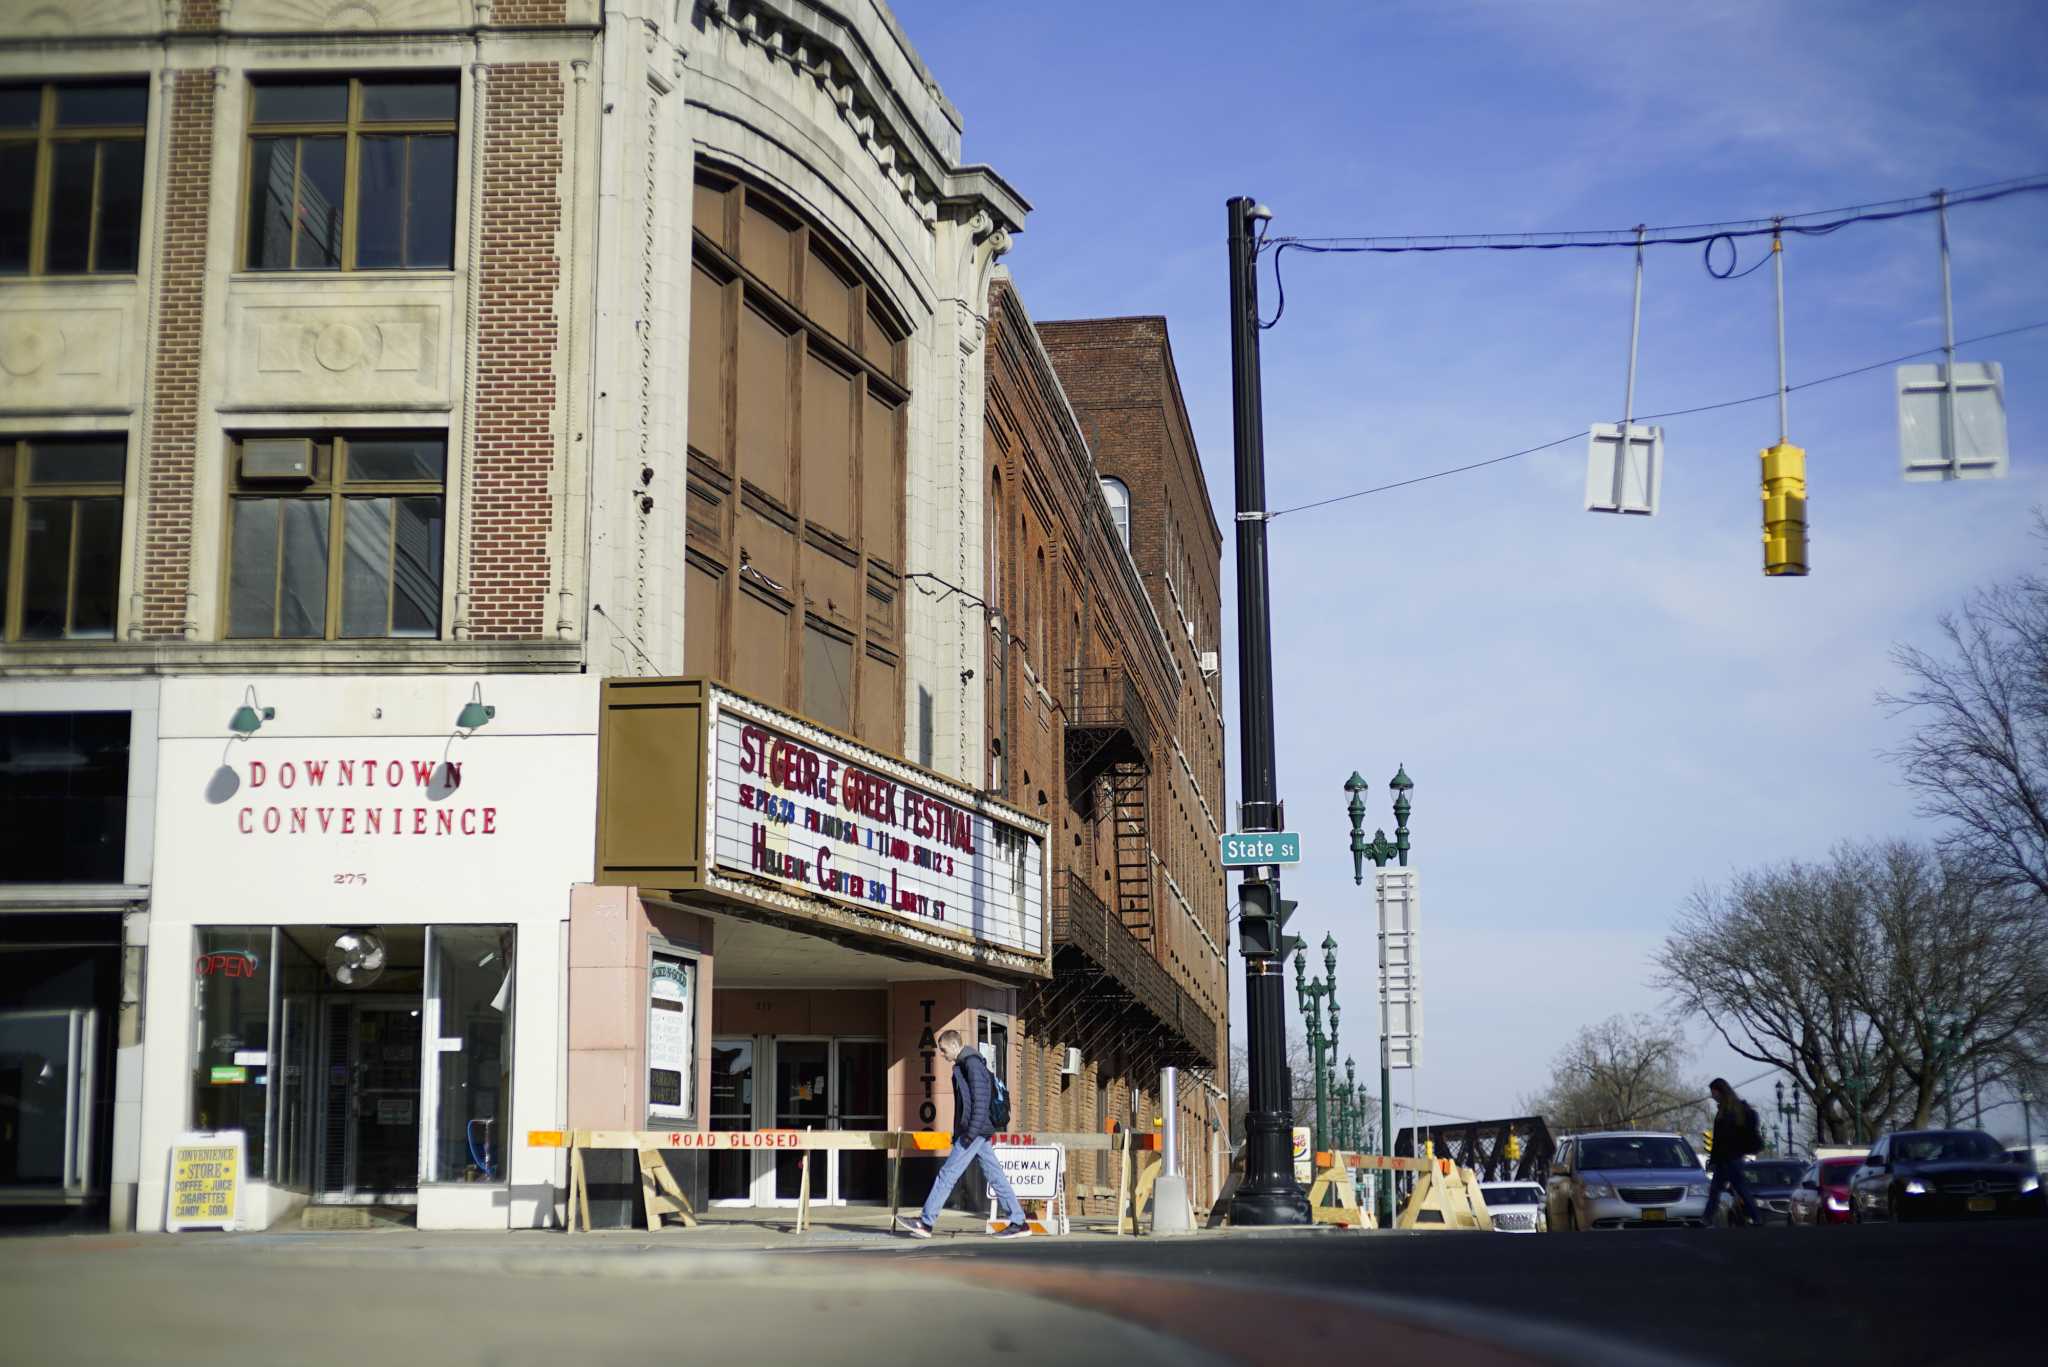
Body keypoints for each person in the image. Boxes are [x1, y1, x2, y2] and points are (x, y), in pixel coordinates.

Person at [895, 1031, 1031, 1239]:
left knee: (947, 1175)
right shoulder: (965, 1064)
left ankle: (926, 1222)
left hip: (974, 1132)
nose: (942, 1054)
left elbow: (981, 1100)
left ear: (954, 1045)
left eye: (943, 1049)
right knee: (995, 1175)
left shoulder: (972, 1064)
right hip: (976, 1131)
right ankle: (1019, 1221)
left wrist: (970, 1133)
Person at [1705, 1078, 1762, 1228]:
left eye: (1713, 1092)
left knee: (1738, 1188)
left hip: (1731, 1157)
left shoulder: (1730, 1111)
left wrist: (1716, 1157)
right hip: (1727, 1157)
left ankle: (1756, 1217)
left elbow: (1723, 1137)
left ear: (1720, 1091)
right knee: (1717, 1190)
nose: (1712, 1095)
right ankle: (1706, 1218)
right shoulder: (1728, 1109)